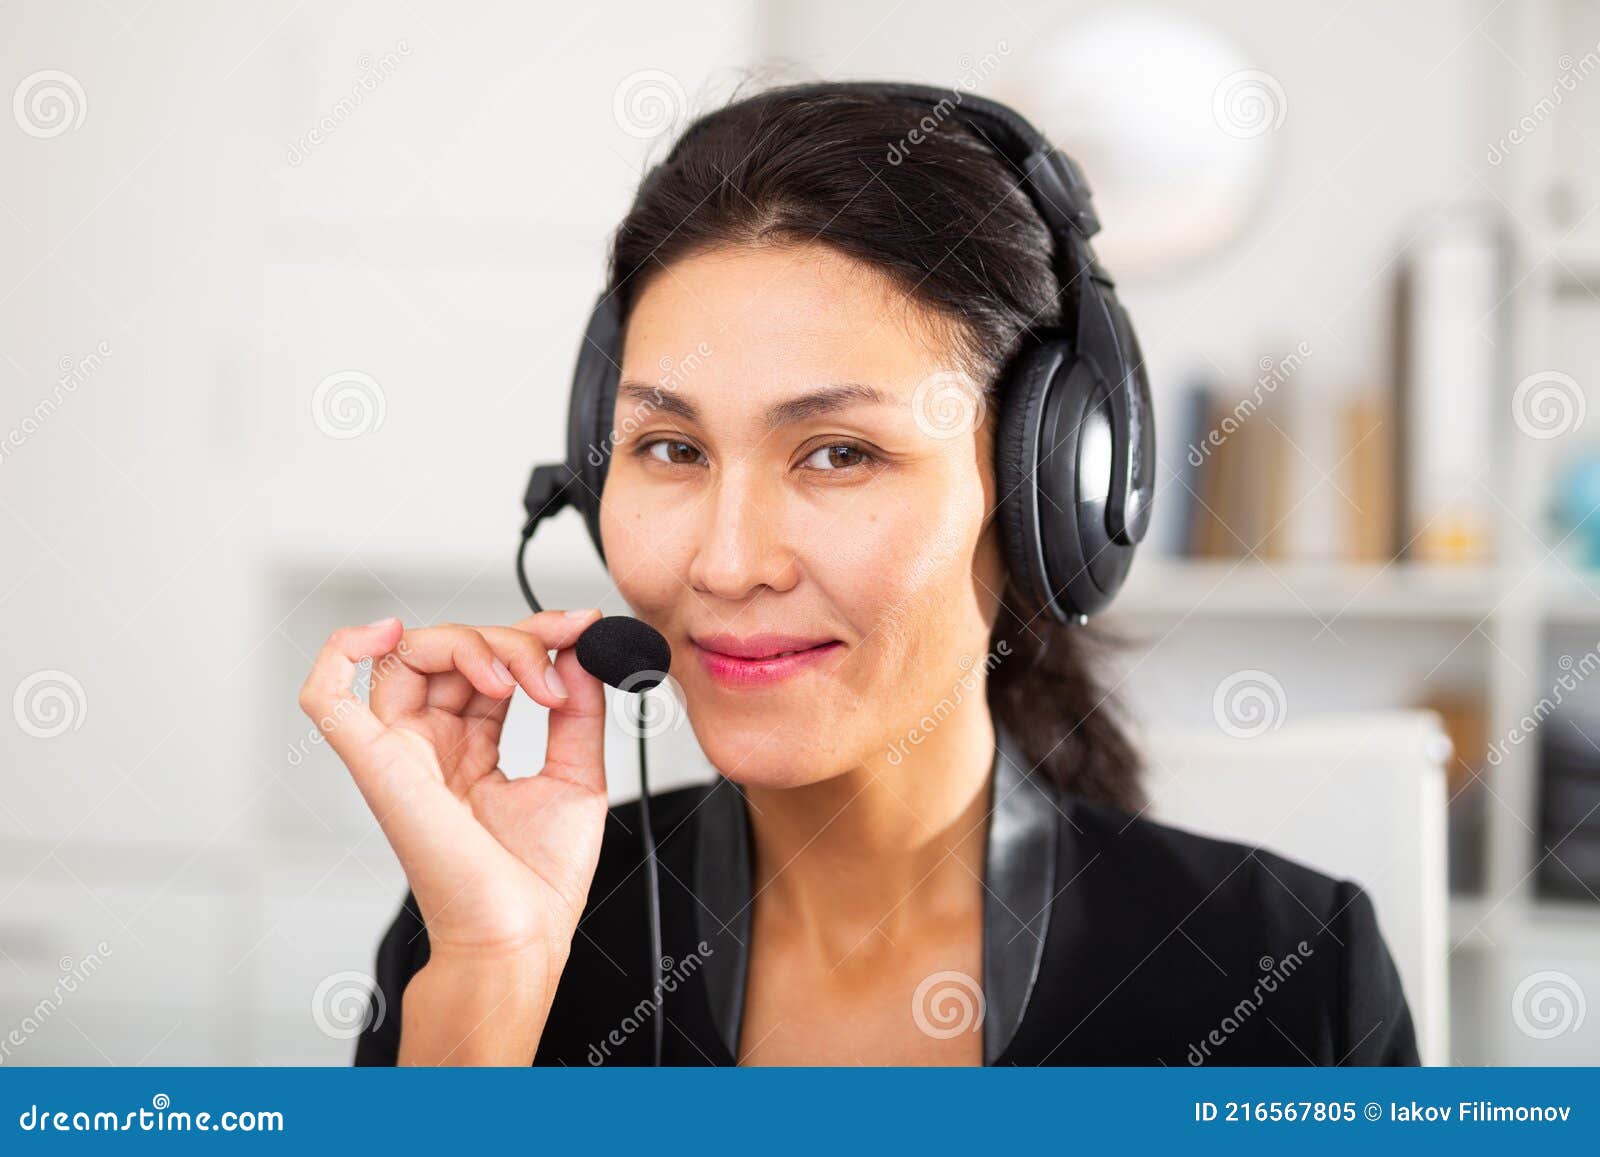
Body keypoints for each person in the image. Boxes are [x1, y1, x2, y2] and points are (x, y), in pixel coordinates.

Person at [298, 82, 1420, 1066]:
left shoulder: (1284, 971)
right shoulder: (485, 918)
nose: (727, 563)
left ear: (1046, 491)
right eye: (672, 449)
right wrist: (492, 981)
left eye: (840, 453)